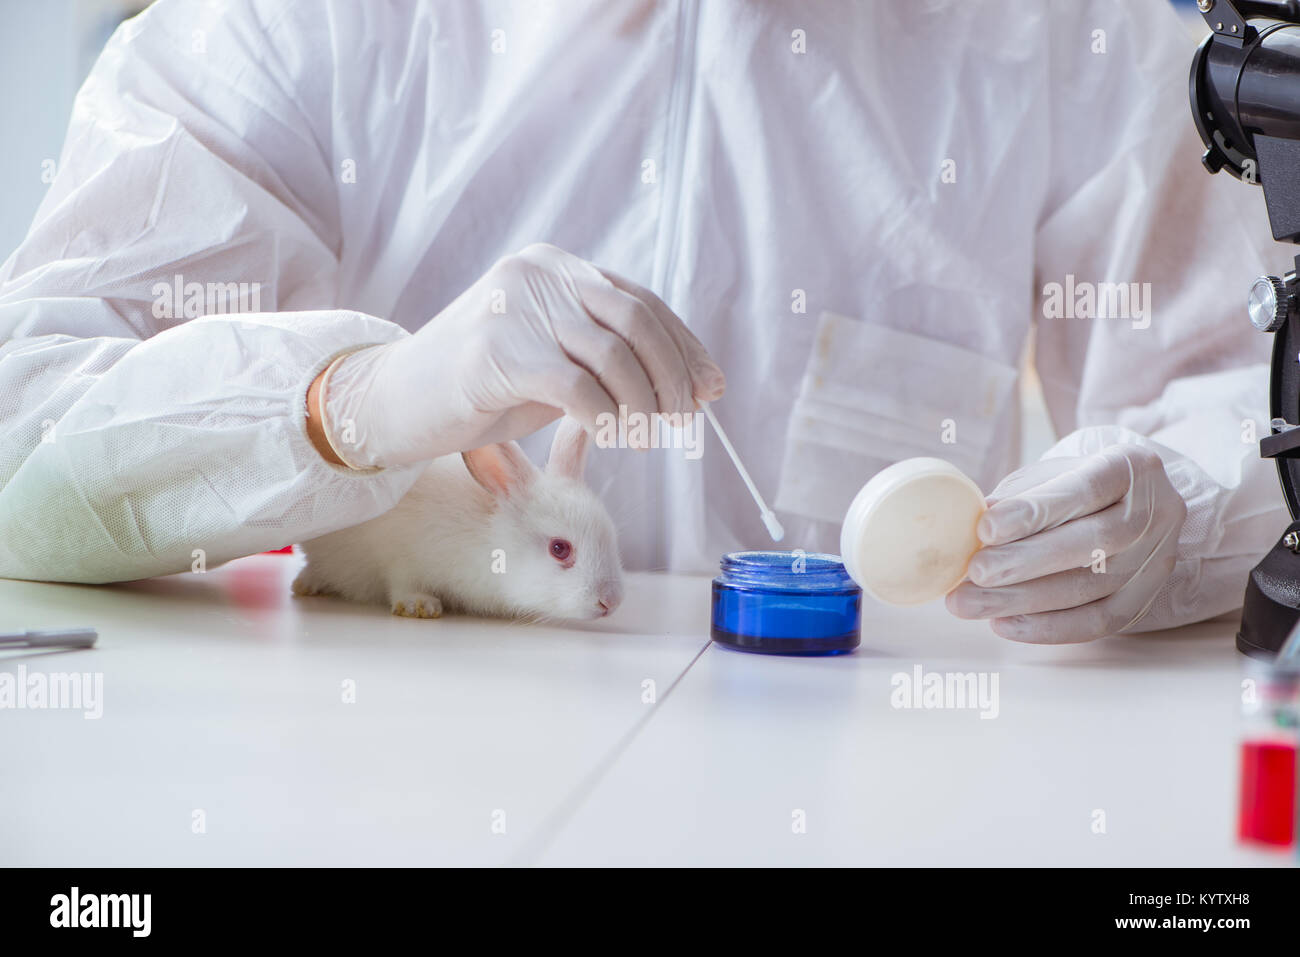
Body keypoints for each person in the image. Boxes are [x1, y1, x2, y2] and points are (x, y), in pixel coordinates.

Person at [0, 0, 1286, 643]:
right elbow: (25, 429)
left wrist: (1173, 503)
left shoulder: (1058, 41)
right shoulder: (294, 29)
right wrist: (352, 408)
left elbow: (1248, 389)